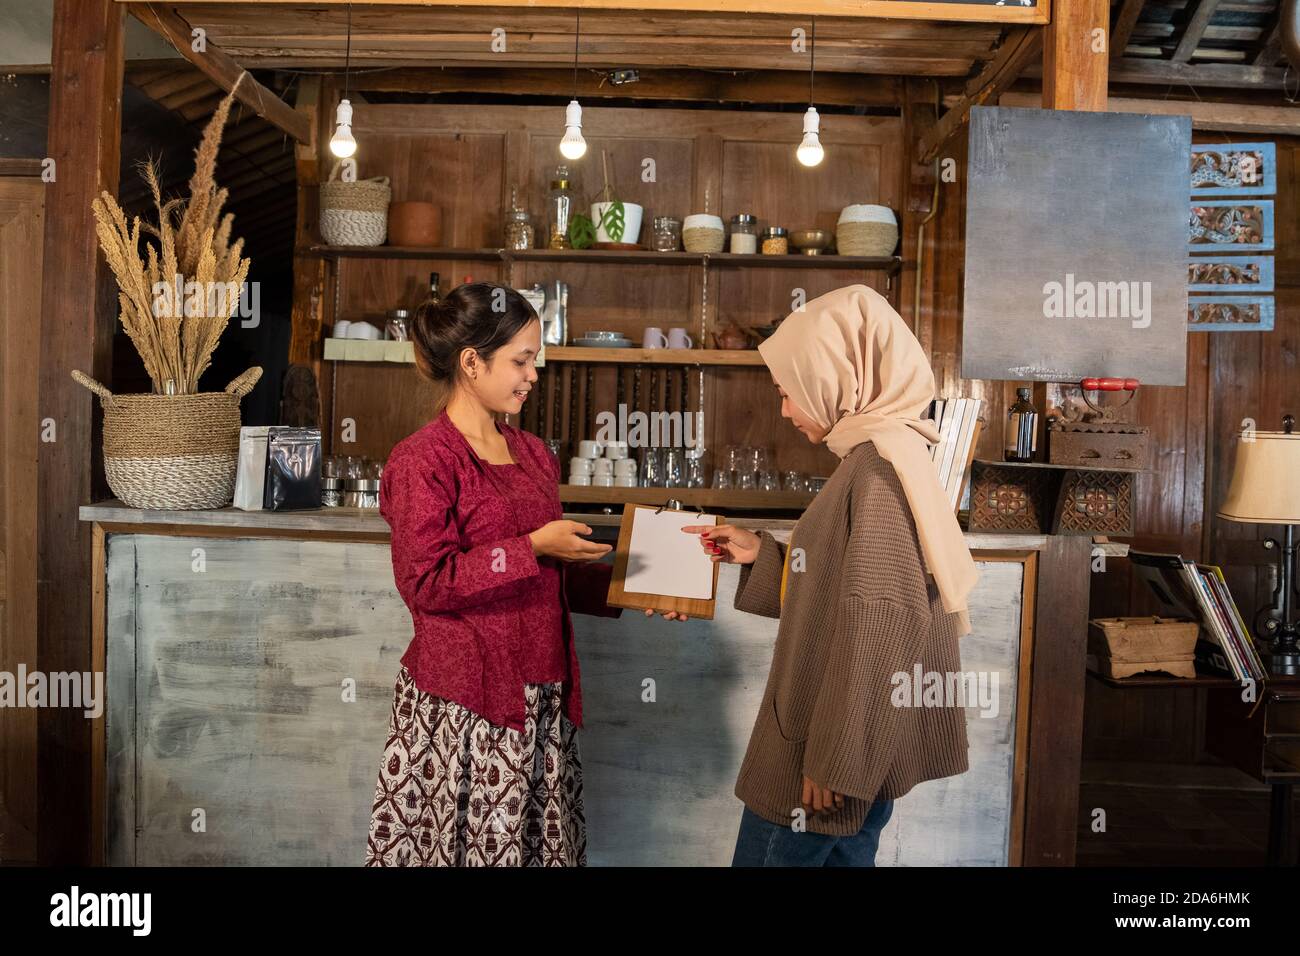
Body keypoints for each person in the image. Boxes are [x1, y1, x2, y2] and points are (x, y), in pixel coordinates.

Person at [363, 282, 672, 867]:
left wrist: (636, 586)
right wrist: (530, 545)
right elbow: (427, 582)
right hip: (465, 706)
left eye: (536, 360)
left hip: (542, 695)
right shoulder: (421, 459)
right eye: (521, 361)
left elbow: (545, 574)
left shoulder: (533, 453)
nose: (532, 375)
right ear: (471, 362)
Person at [682, 284, 979, 867]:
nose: (786, 410)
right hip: (847, 748)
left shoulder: (878, 473)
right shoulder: (880, 457)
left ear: (837, 378)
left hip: (822, 760)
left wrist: (839, 759)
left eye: (788, 392)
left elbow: (882, 620)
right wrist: (763, 556)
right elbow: (844, 587)